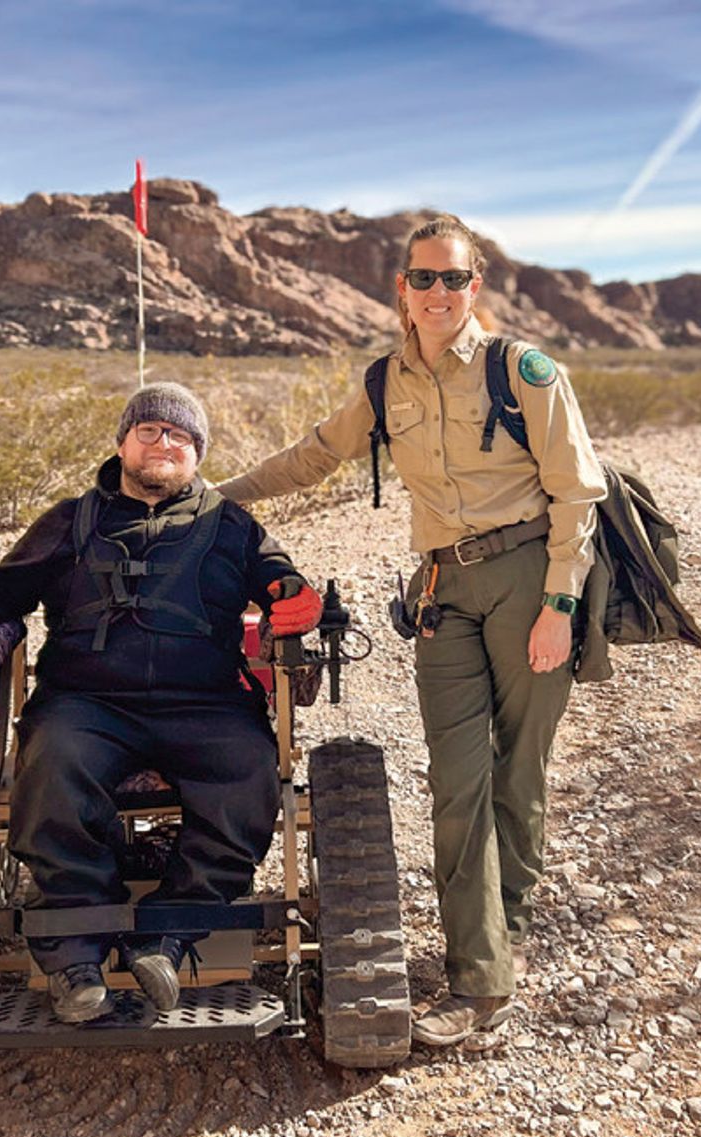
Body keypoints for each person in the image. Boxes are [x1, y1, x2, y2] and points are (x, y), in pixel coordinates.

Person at [217, 216, 606, 1046]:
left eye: (454, 279)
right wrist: (214, 498)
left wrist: (560, 606)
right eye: (423, 279)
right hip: (443, 590)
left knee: (518, 775)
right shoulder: (384, 382)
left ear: (476, 287)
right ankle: (481, 978)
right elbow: (315, 454)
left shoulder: (522, 371)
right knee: (457, 783)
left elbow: (579, 493)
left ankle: (501, 943)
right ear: (402, 286)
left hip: (530, 576)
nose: (438, 294)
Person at [0, 382, 323, 1024]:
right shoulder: (69, 520)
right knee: (51, 766)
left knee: (247, 770)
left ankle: (166, 938)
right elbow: (1, 590)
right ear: (124, 442)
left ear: (197, 454)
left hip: (204, 703)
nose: (165, 444)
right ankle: (75, 958)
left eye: (180, 437)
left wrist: (294, 603)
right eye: (151, 431)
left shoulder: (231, 525)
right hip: (87, 702)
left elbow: (282, 581)